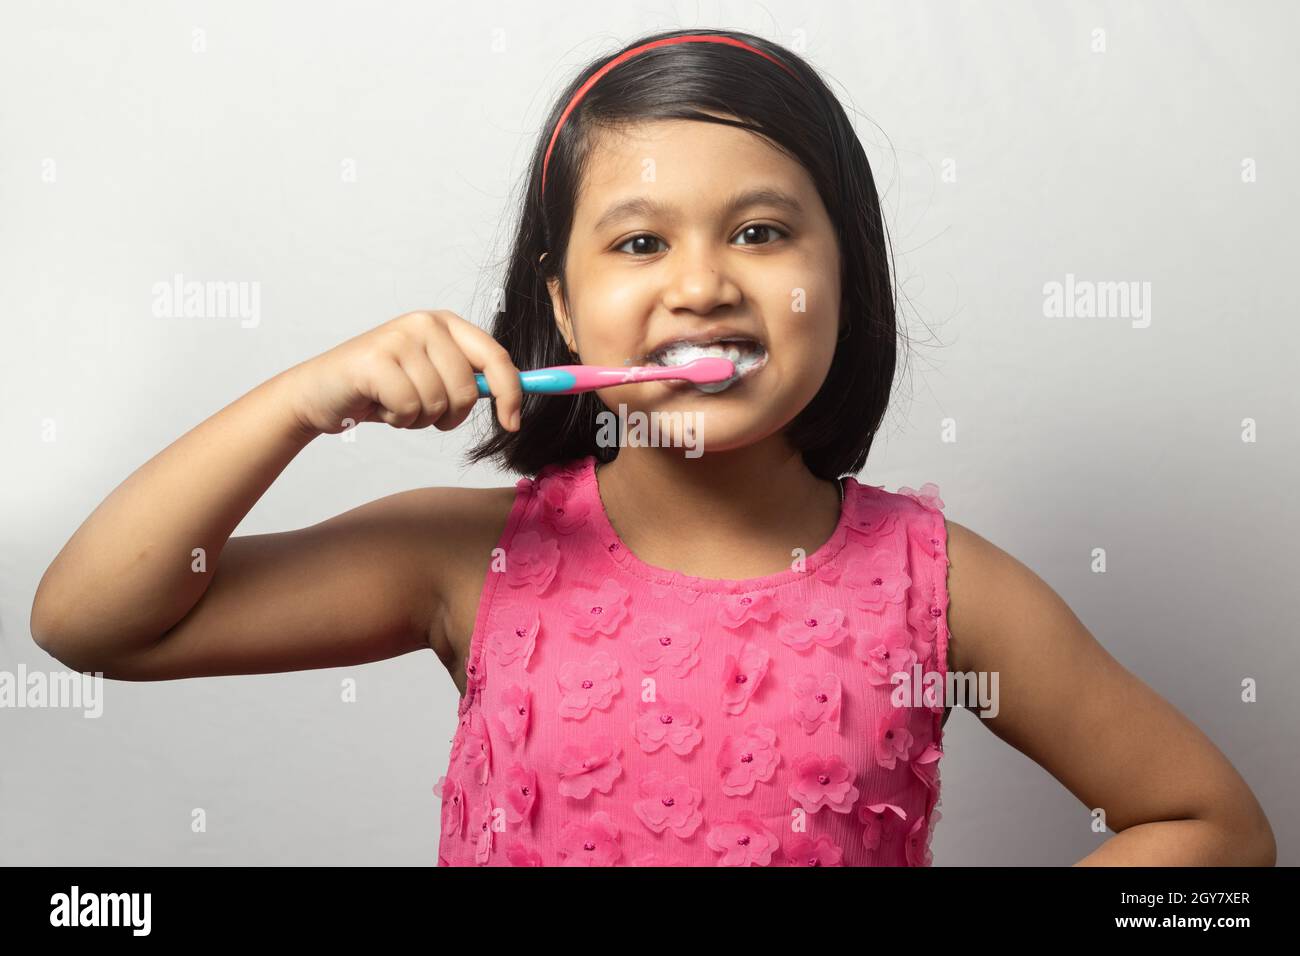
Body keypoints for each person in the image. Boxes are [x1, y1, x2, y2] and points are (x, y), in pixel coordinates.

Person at [30, 29, 1275, 867]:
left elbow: (1212, 825)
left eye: (761, 232)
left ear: (842, 281)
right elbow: (94, 622)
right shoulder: (464, 560)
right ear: (560, 310)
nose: (700, 284)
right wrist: (299, 400)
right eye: (637, 244)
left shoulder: (938, 584)